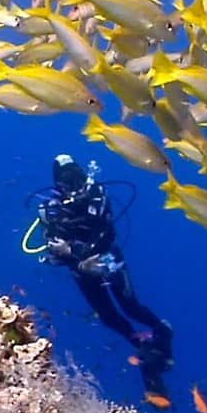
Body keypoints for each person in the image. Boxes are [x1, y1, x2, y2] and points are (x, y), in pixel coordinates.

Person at [38, 154, 174, 398]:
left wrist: (86, 254)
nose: (73, 184)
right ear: (58, 185)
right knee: (108, 316)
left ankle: (161, 330)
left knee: (131, 307)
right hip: (82, 271)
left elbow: (107, 229)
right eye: (66, 180)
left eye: (76, 177)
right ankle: (141, 345)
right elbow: (53, 245)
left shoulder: (97, 195)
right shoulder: (50, 210)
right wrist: (80, 261)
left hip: (109, 259)